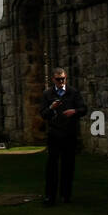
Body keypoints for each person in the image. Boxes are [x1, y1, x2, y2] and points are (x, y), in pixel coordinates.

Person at [38, 67, 87, 207]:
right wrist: (52, 107)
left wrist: (75, 111)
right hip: (54, 134)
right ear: (53, 79)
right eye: (58, 79)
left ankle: (66, 195)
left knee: (68, 165)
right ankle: (50, 196)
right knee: (52, 166)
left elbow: (84, 109)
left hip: (69, 133)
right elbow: (43, 114)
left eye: (63, 79)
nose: (61, 81)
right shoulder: (47, 94)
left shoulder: (73, 92)